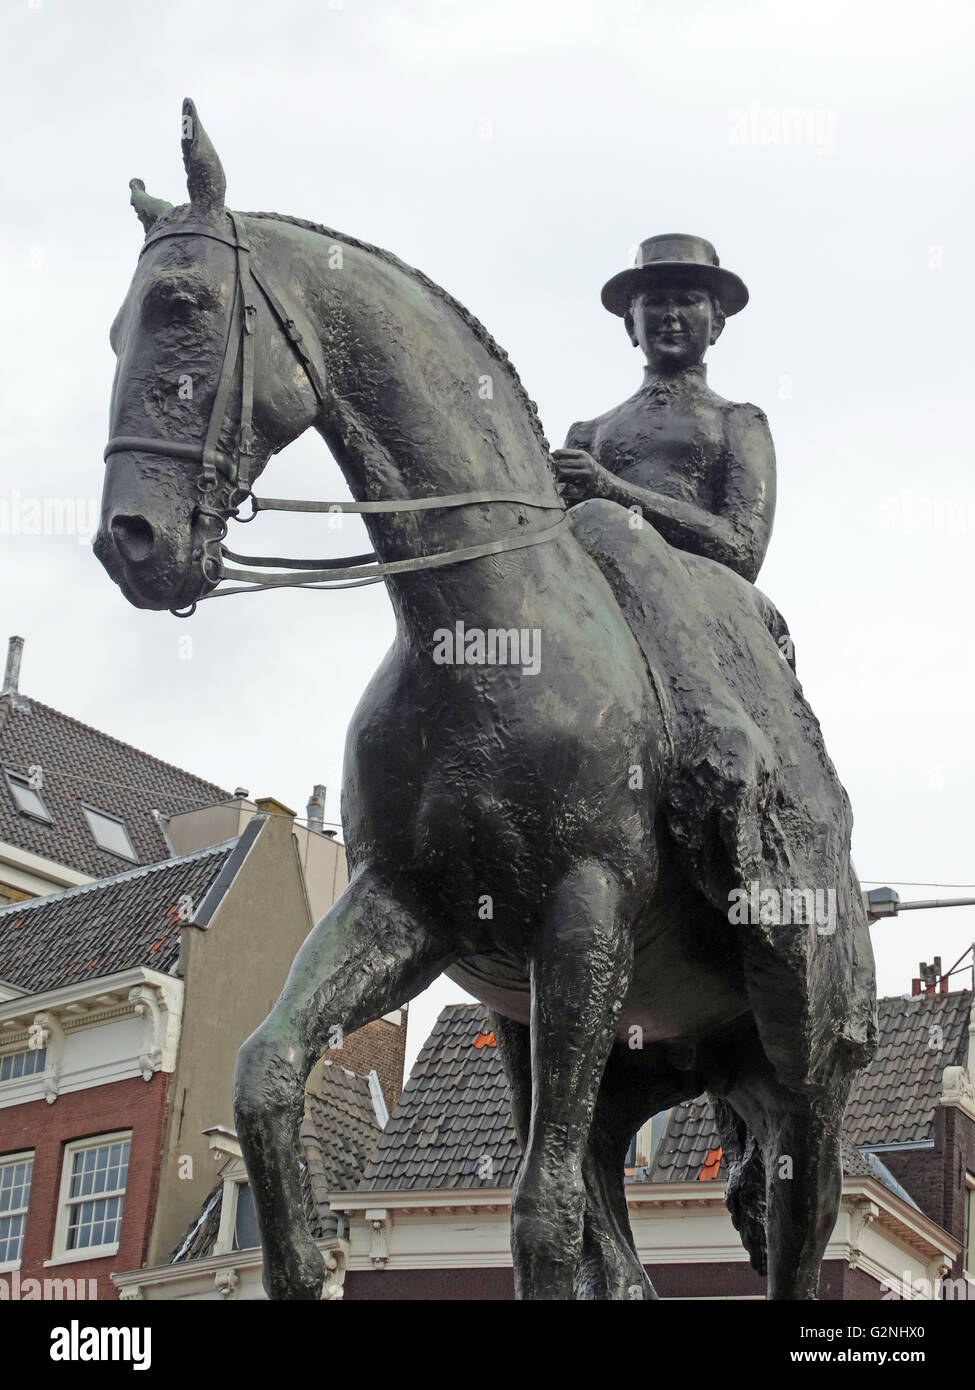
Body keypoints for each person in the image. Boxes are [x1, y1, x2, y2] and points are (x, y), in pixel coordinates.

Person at [552, 234, 775, 587]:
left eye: (688, 301)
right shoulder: (587, 434)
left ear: (716, 324)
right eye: (655, 302)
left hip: (703, 592)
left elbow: (742, 550)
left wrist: (610, 488)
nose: (671, 315)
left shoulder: (739, 421)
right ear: (631, 325)